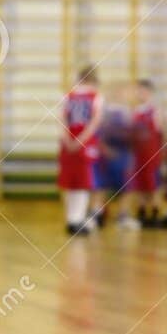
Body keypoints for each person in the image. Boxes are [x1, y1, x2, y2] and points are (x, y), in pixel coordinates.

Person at [57, 66, 103, 235]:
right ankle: (78, 219)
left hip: (67, 141)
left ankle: (71, 219)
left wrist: (67, 140)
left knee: (70, 182)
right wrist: (81, 141)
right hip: (85, 142)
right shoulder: (95, 97)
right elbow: (95, 122)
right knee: (84, 183)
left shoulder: (68, 96)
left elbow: (61, 120)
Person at [95, 83, 137, 230]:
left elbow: (134, 135)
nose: (120, 94)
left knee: (126, 186)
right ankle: (98, 214)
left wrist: (131, 153)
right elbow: (98, 133)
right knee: (102, 185)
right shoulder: (104, 111)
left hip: (124, 154)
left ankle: (123, 215)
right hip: (107, 153)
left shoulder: (129, 112)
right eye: (117, 91)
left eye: (123, 92)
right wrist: (104, 149)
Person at [129, 79, 164, 228]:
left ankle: (155, 212)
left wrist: (162, 154)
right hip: (138, 154)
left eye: (143, 90)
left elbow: (162, 132)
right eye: (138, 90)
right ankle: (142, 211)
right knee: (140, 184)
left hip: (152, 153)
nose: (140, 93)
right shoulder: (135, 111)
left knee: (153, 184)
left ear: (149, 92)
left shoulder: (155, 111)